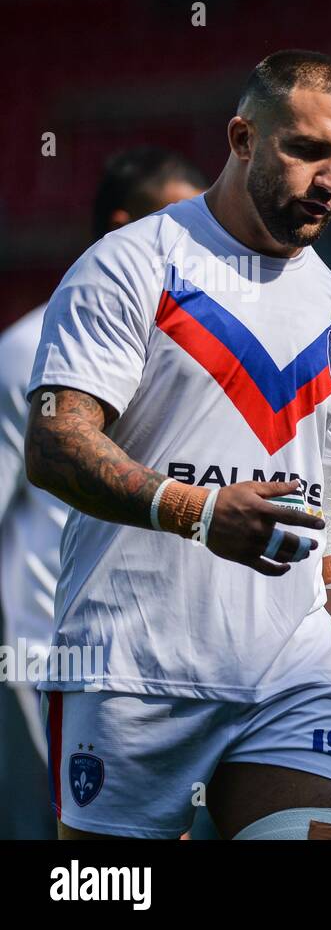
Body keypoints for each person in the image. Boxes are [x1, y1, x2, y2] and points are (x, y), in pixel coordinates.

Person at [26, 50, 331, 839]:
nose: (330, 177)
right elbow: (54, 445)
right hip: (129, 672)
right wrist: (195, 510)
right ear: (242, 138)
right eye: (307, 149)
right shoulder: (127, 268)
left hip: (290, 677)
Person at [0, 147, 206, 765]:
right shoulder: (28, 348)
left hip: (181, 653)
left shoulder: (198, 350)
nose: (188, 245)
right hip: (61, 659)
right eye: (171, 223)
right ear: (121, 228)